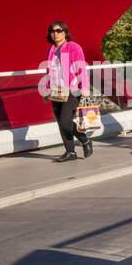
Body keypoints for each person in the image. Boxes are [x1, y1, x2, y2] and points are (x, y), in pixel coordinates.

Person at [42, 21, 91, 161]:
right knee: (60, 123)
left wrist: (85, 87)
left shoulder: (73, 47)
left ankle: (85, 140)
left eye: (58, 30)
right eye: (52, 31)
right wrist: (47, 90)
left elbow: (81, 68)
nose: (55, 33)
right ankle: (70, 152)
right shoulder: (50, 50)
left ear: (64, 32)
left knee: (65, 121)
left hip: (72, 90)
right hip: (56, 90)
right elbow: (49, 72)